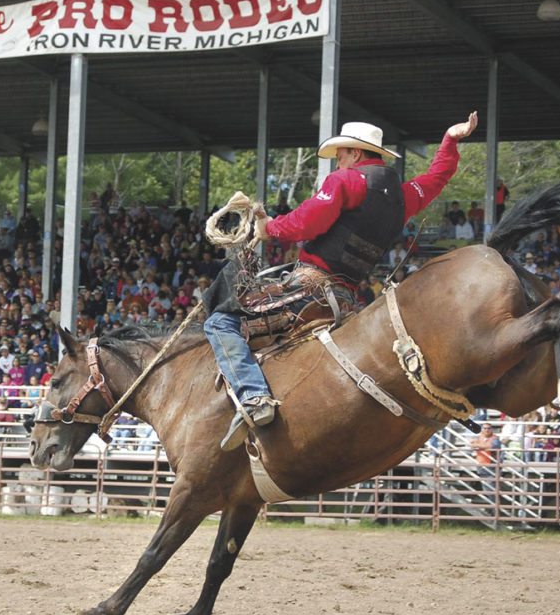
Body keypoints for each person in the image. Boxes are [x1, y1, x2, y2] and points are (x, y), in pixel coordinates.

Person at [204, 112, 480, 451]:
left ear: (357, 154)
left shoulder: (345, 182)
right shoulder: (403, 195)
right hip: (348, 298)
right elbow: (437, 177)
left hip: (310, 290)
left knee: (220, 321)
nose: (337, 163)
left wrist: (269, 228)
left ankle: (254, 397)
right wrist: (449, 142)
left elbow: (308, 222)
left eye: (341, 155)